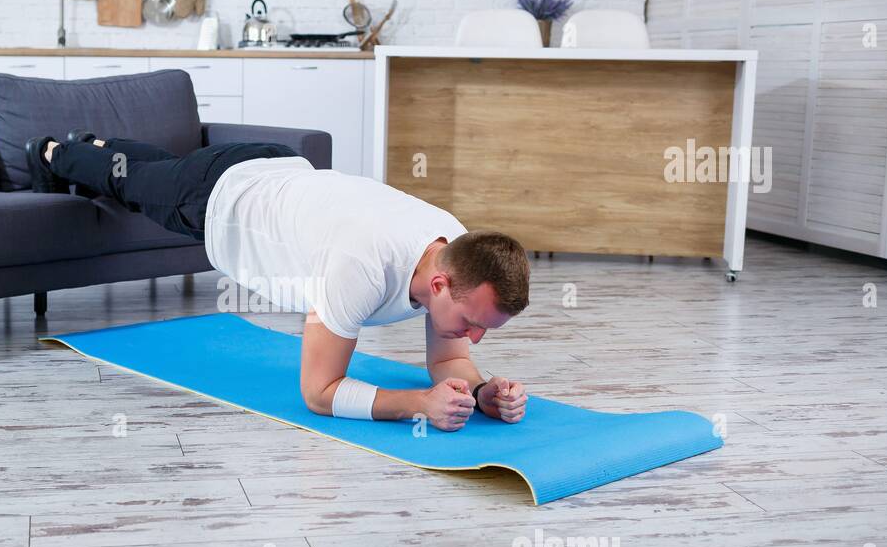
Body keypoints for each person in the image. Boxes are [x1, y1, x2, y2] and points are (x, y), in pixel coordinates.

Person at [27, 132, 530, 432]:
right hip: (218, 195)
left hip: (277, 165)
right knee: (133, 186)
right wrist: (416, 404)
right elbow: (318, 392)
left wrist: (483, 391)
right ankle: (51, 151)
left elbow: (447, 360)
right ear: (440, 286)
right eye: (471, 323)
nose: (474, 337)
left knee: (154, 171)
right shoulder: (360, 264)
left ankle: (98, 144)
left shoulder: (458, 251)